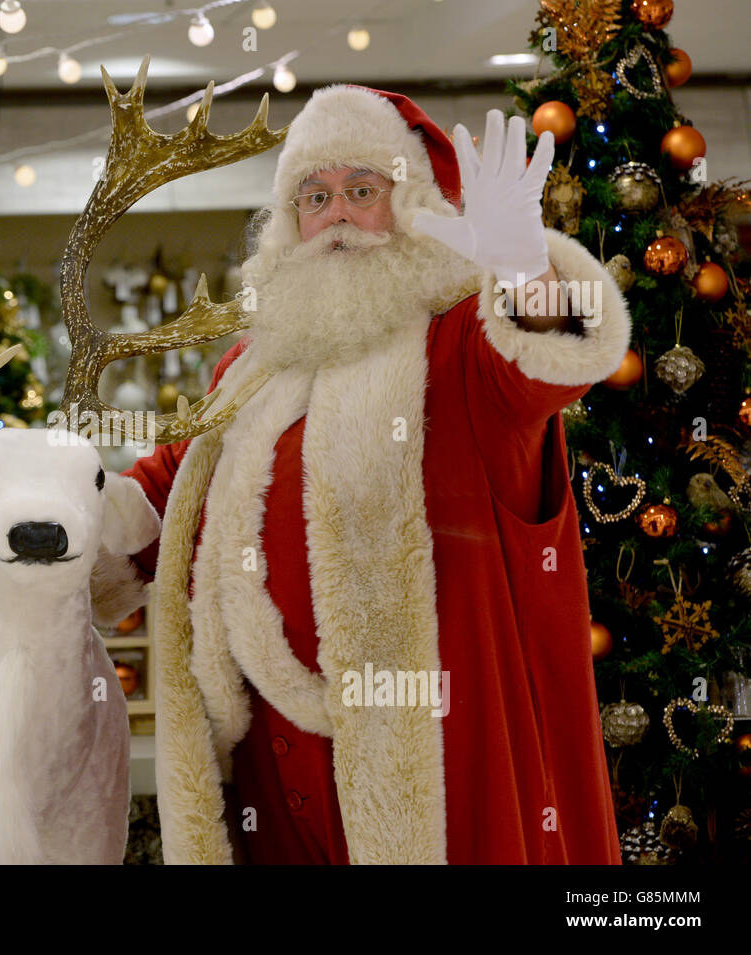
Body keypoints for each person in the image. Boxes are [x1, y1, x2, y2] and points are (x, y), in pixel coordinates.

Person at [92, 86, 630, 863]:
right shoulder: (249, 370)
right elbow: (162, 493)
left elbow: (543, 367)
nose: (335, 215)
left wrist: (524, 274)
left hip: (433, 756)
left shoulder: (457, 349)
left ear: (410, 204)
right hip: (270, 765)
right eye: (315, 196)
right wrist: (13, 507)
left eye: (361, 191)